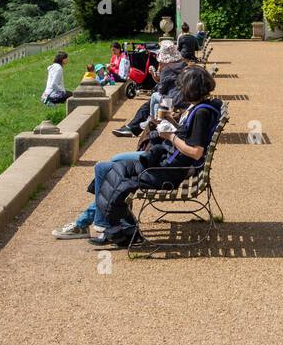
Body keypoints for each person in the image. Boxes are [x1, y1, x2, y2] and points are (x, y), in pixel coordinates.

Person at [88, 66, 222, 248]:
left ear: (190, 88)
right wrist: (172, 123)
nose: (180, 91)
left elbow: (196, 151)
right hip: (169, 165)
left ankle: (114, 228)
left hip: (167, 172)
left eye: (183, 87)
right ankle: (119, 228)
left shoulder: (201, 112)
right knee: (103, 169)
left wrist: (170, 136)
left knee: (106, 170)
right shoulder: (201, 107)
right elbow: (189, 137)